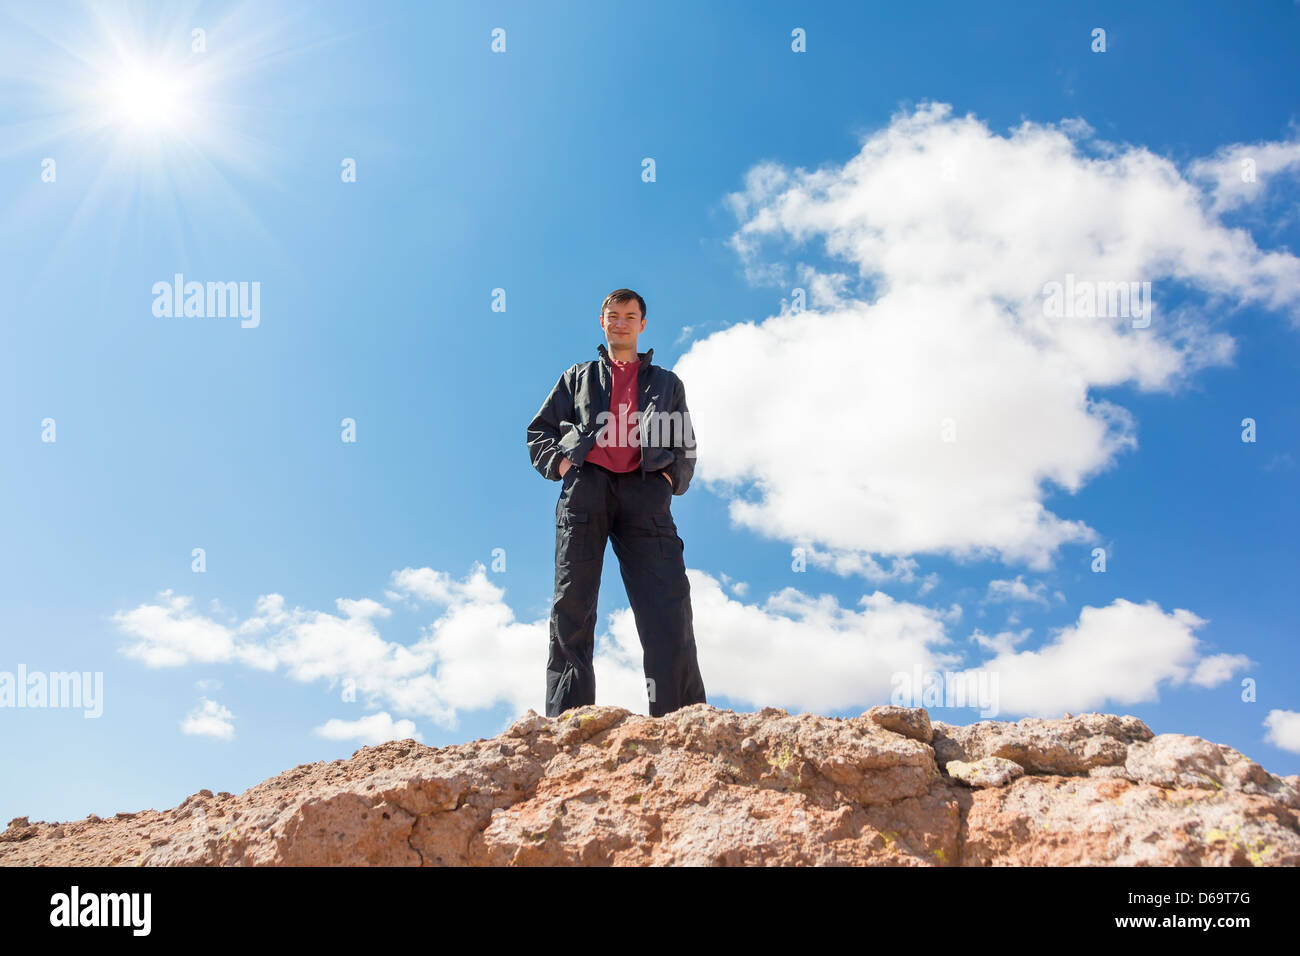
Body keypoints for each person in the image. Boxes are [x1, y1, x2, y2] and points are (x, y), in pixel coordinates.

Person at [526, 288, 707, 718]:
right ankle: (568, 721)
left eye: (629, 316)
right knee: (572, 604)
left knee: (668, 604)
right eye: (613, 315)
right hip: (586, 490)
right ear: (602, 322)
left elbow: (685, 444)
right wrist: (563, 465)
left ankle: (679, 719)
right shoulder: (577, 377)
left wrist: (667, 480)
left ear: (642, 325)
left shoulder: (666, 383)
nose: (621, 323)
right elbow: (539, 431)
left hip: (645, 495)